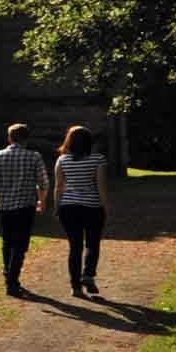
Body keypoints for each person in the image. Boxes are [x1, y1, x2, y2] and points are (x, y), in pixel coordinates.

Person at [0, 122, 50, 296]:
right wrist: (42, 202)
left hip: (4, 205)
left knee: (7, 241)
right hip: (25, 206)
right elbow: (43, 183)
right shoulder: (34, 157)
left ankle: (7, 272)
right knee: (21, 244)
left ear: (9, 137)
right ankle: (12, 280)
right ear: (26, 138)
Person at [55, 124, 111, 297]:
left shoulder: (62, 160)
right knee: (93, 243)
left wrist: (57, 207)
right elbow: (101, 187)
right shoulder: (98, 159)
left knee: (75, 246)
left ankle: (75, 286)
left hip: (69, 207)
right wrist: (106, 207)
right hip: (92, 207)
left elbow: (58, 187)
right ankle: (88, 275)